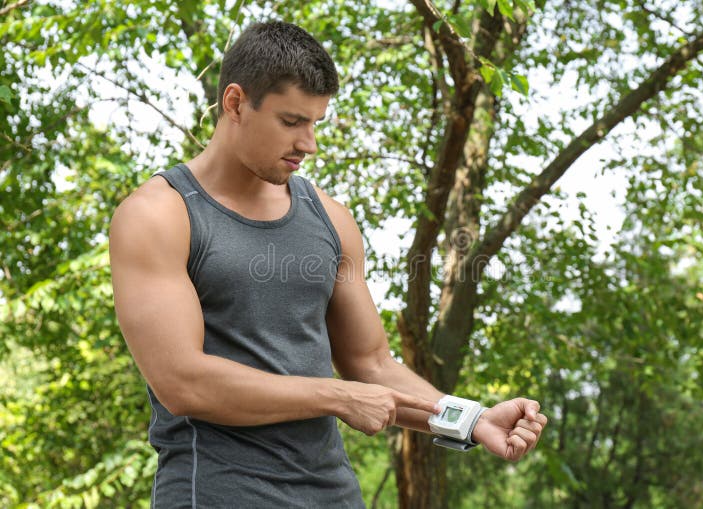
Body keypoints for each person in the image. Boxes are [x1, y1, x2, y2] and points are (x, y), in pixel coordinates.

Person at [110, 21, 547, 508]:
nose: (309, 143)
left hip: (332, 494)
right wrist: (336, 396)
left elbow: (371, 364)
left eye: (315, 122)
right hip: (217, 492)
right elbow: (182, 382)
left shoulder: (330, 218)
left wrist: (471, 419)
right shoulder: (158, 215)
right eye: (292, 121)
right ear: (235, 103)